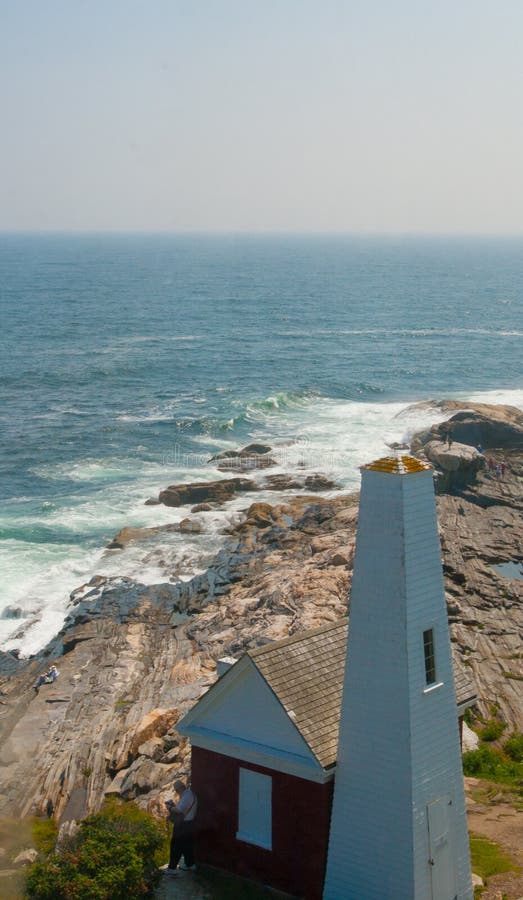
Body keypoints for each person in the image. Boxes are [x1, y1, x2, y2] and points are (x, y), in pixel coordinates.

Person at [165, 779, 198, 875]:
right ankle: (190, 864)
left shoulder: (187, 796)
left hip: (183, 825)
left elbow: (179, 810)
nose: (176, 792)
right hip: (189, 824)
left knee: (175, 846)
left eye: (176, 790)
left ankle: (172, 869)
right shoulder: (188, 794)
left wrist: (170, 807)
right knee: (187, 845)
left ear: (179, 788)